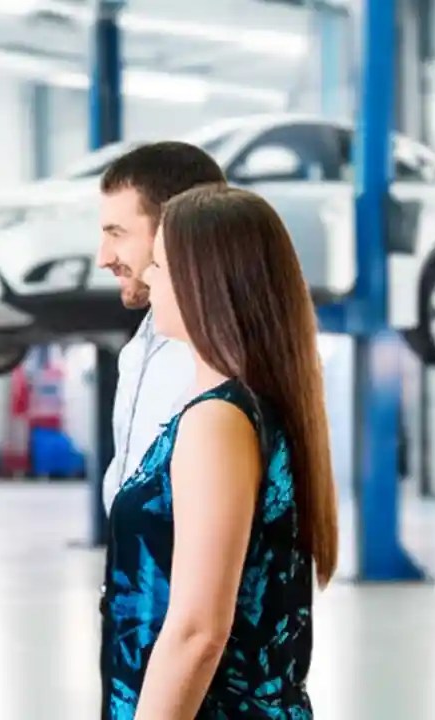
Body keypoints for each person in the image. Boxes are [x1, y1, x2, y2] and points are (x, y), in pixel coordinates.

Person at [99, 185, 339, 719]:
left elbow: (198, 630)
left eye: (159, 265)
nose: (148, 278)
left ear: (201, 282)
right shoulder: (246, 408)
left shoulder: (218, 420)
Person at [95, 142, 228, 515]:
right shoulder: (142, 347)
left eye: (117, 233)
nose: (102, 258)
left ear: (178, 229)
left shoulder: (220, 364)